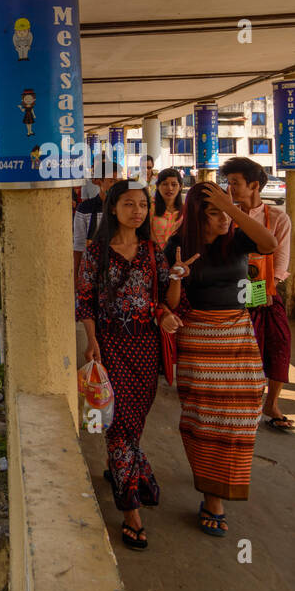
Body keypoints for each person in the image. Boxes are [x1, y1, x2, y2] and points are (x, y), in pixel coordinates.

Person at [163, 181, 279, 536]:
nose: (222, 219)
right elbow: (170, 303)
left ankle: (222, 478)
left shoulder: (238, 238)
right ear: (198, 216)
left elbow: (270, 244)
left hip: (238, 333)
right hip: (199, 336)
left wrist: (231, 209)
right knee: (206, 415)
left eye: (224, 210)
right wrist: (177, 276)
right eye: (213, 213)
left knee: (243, 411)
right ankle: (213, 497)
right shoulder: (178, 245)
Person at [76, 180, 179, 549]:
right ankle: (130, 509)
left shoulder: (154, 251)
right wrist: (91, 342)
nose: (137, 211)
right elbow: (85, 301)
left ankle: (136, 469)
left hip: (145, 348)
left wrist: (170, 301)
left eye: (142, 205)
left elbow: (166, 297)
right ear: (113, 209)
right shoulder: (96, 252)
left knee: (133, 420)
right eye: (129, 204)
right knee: (118, 426)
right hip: (110, 347)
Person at [224, 156, 293, 433]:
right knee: (236, 353)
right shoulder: (225, 214)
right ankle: (237, 403)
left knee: (279, 345)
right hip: (230, 292)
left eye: (235, 183)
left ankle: (271, 403)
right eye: (228, 183)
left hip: (265, 291)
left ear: (254, 185)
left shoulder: (277, 217)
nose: (230, 188)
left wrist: (262, 290)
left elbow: (280, 261)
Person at [73, 171, 117, 282]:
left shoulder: (124, 209)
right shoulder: (85, 208)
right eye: (112, 181)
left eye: (119, 181)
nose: (116, 185)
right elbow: (79, 245)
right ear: (99, 181)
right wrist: (76, 278)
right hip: (92, 271)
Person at [149, 167, 183, 251]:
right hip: (155, 255)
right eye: (165, 184)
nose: (170, 188)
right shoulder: (150, 207)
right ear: (157, 186)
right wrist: (161, 254)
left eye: (174, 184)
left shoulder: (185, 210)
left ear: (180, 187)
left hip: (178, 257)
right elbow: (149, 233)